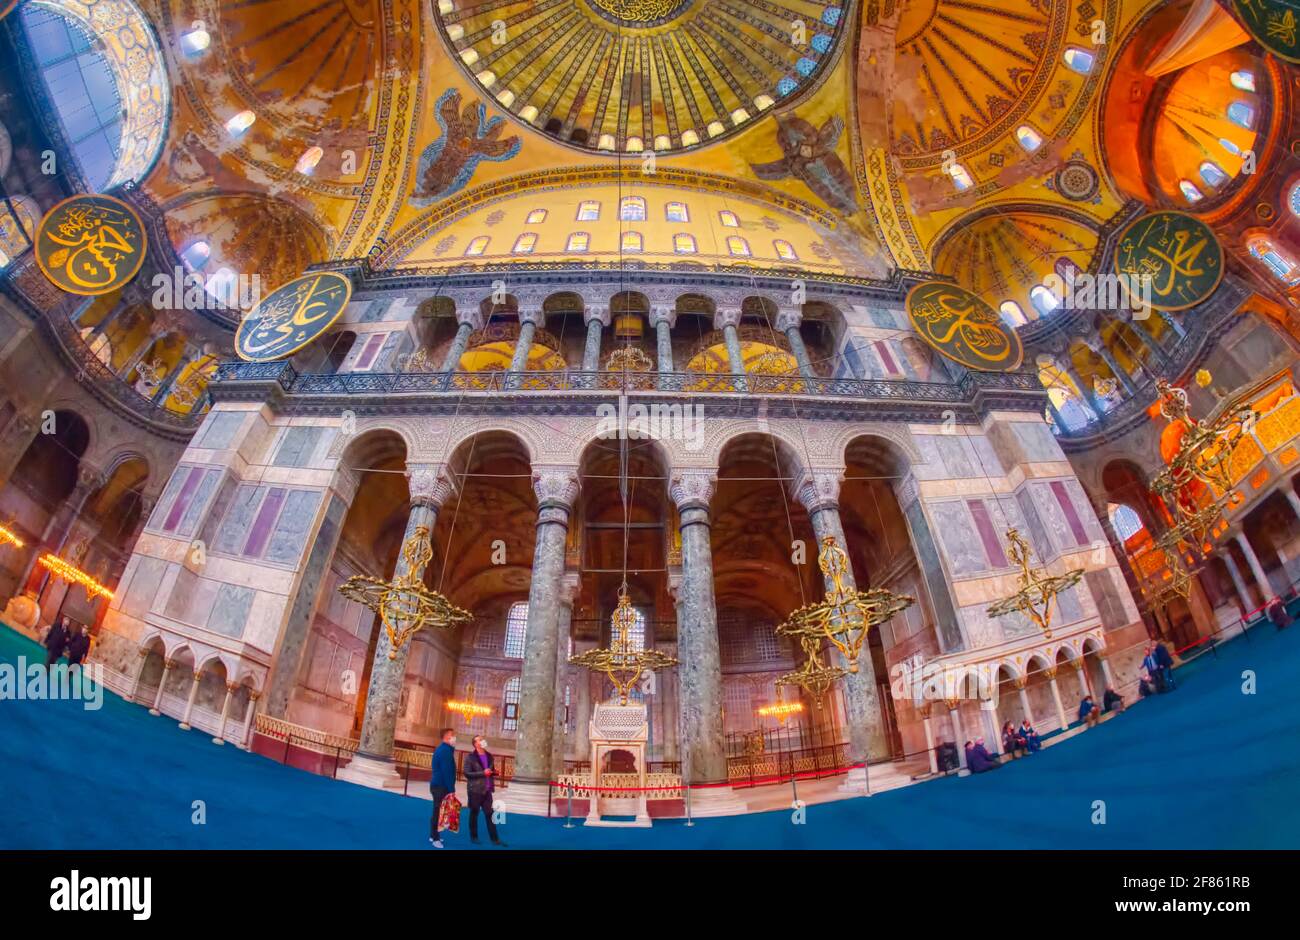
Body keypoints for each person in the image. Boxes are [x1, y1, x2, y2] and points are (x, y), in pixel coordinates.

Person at [463, 734, 505, 846]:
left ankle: (495, 839)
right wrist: (483, 773)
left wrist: (494, 772)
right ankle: (474, 836)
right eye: (480, 740)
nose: (483, 741)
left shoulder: (489, 756)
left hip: (487, 790)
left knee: (490, 814)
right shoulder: (470, 757)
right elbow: (467, 773)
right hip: (475, 790)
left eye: (483, 739)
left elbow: (490, 771)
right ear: (475, 744)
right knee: (474, 813)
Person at [429, 728, 458, 848]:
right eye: (452, 735)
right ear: (446, 737)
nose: (454, 737)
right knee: (438, 813)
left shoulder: (446, 749)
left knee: (438, 811)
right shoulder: (445, 750)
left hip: (439, 785)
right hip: (440, 786)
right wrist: (451, 790)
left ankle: (433, 835)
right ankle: (435, 839)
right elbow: (447, 772)